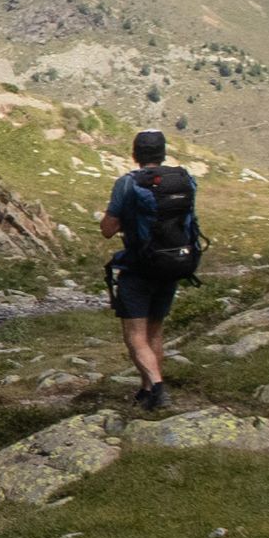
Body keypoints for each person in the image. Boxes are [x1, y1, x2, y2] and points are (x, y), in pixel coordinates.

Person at [102, 128, 203, 410]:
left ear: (135, 154)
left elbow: (108, 229)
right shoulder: (185, 180)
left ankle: (157, 386)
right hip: (172, 264)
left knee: (135, 334)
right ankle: (146, 391)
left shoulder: (128, 183)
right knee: (155, 332)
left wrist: (128, 219)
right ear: (163, 153)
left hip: (139, 267)